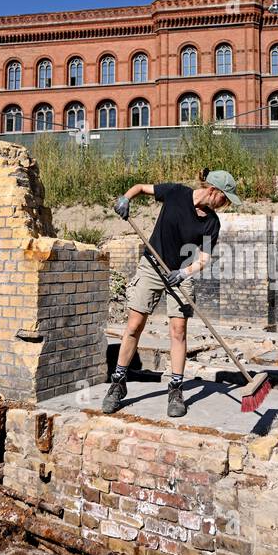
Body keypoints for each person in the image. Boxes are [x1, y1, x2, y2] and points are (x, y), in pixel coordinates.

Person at [104, 169, 241, 417]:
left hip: (180, 274)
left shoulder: (212, 222)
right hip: (151, 267)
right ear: (213, 191)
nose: (226, 203)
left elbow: (205, 258)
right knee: (134, 325)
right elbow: (140, 188)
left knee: (178, 331)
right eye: (225, 198)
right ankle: (118, 383)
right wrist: (125, 199)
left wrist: (184, 272)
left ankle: (176, 389)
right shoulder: (176, 193)